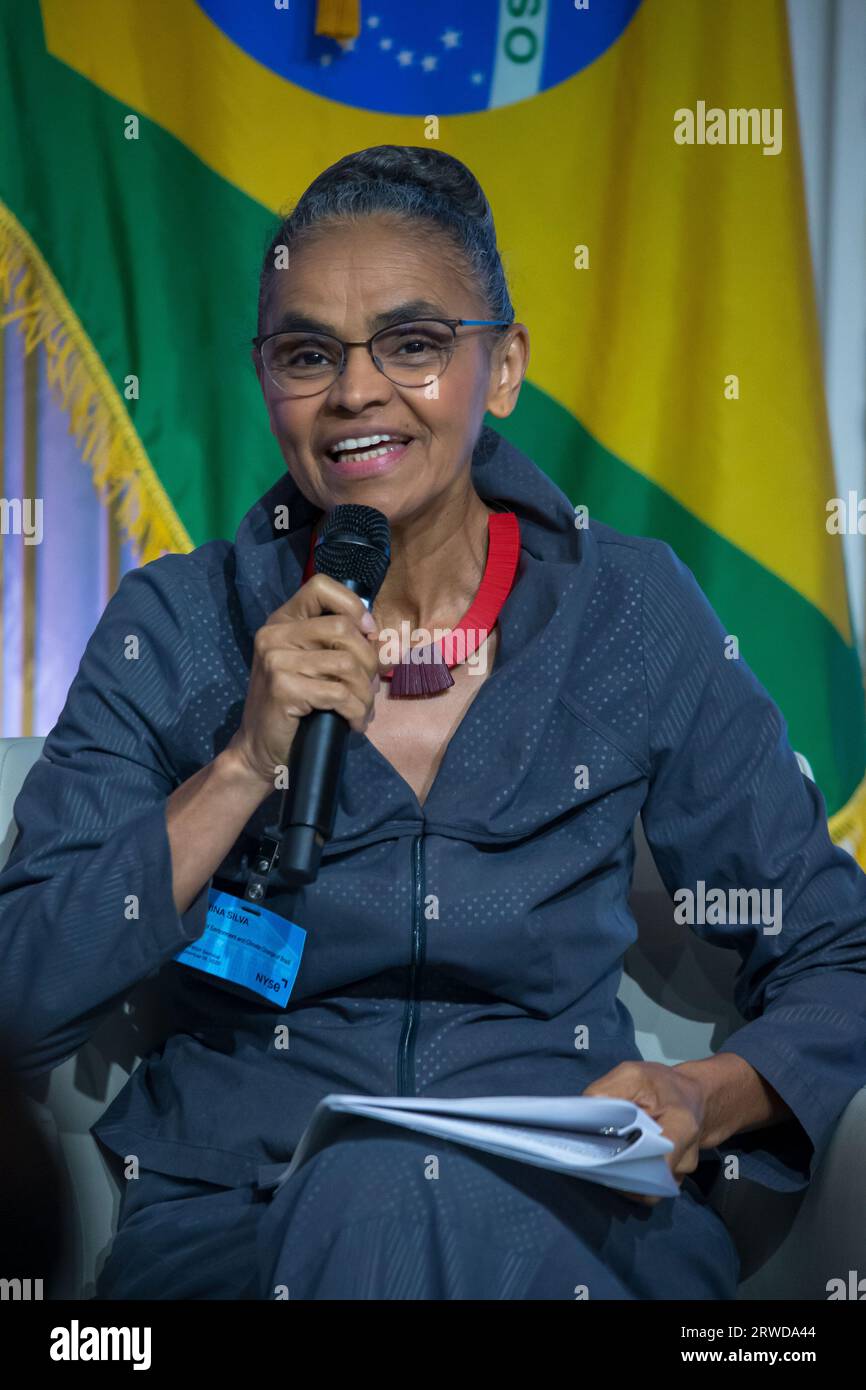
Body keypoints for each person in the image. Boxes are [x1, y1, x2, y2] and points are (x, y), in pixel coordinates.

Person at [1, 145, 864, 1301]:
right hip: (243, 1214)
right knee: (377, 1185)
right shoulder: (174, 623)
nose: (356, 392)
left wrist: (708, 1092)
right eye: (308, 355)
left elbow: (835, 948)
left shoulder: (631, 612)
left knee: (421, 1189)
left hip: (571, 1209)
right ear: (268, 383)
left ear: (499, 368)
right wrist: (245, 761)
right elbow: (18, 995)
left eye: (411, 344)